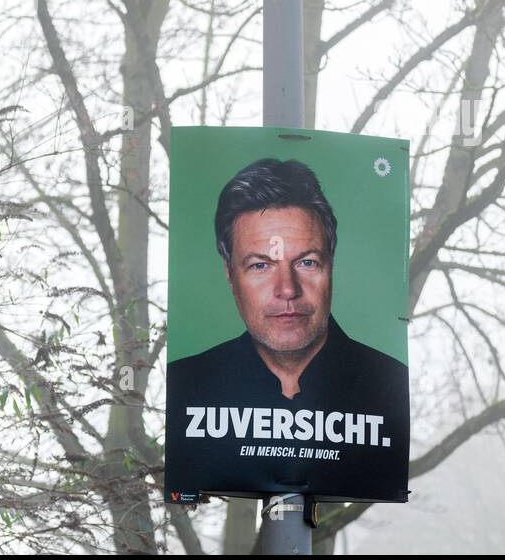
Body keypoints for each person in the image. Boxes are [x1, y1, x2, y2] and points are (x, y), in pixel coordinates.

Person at [164, 158, 409, 504]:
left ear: (332, 265)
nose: (287, 289)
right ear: (230, 274)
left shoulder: (388, 384)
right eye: (260, 265)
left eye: (306, 262)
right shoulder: (186, 383)